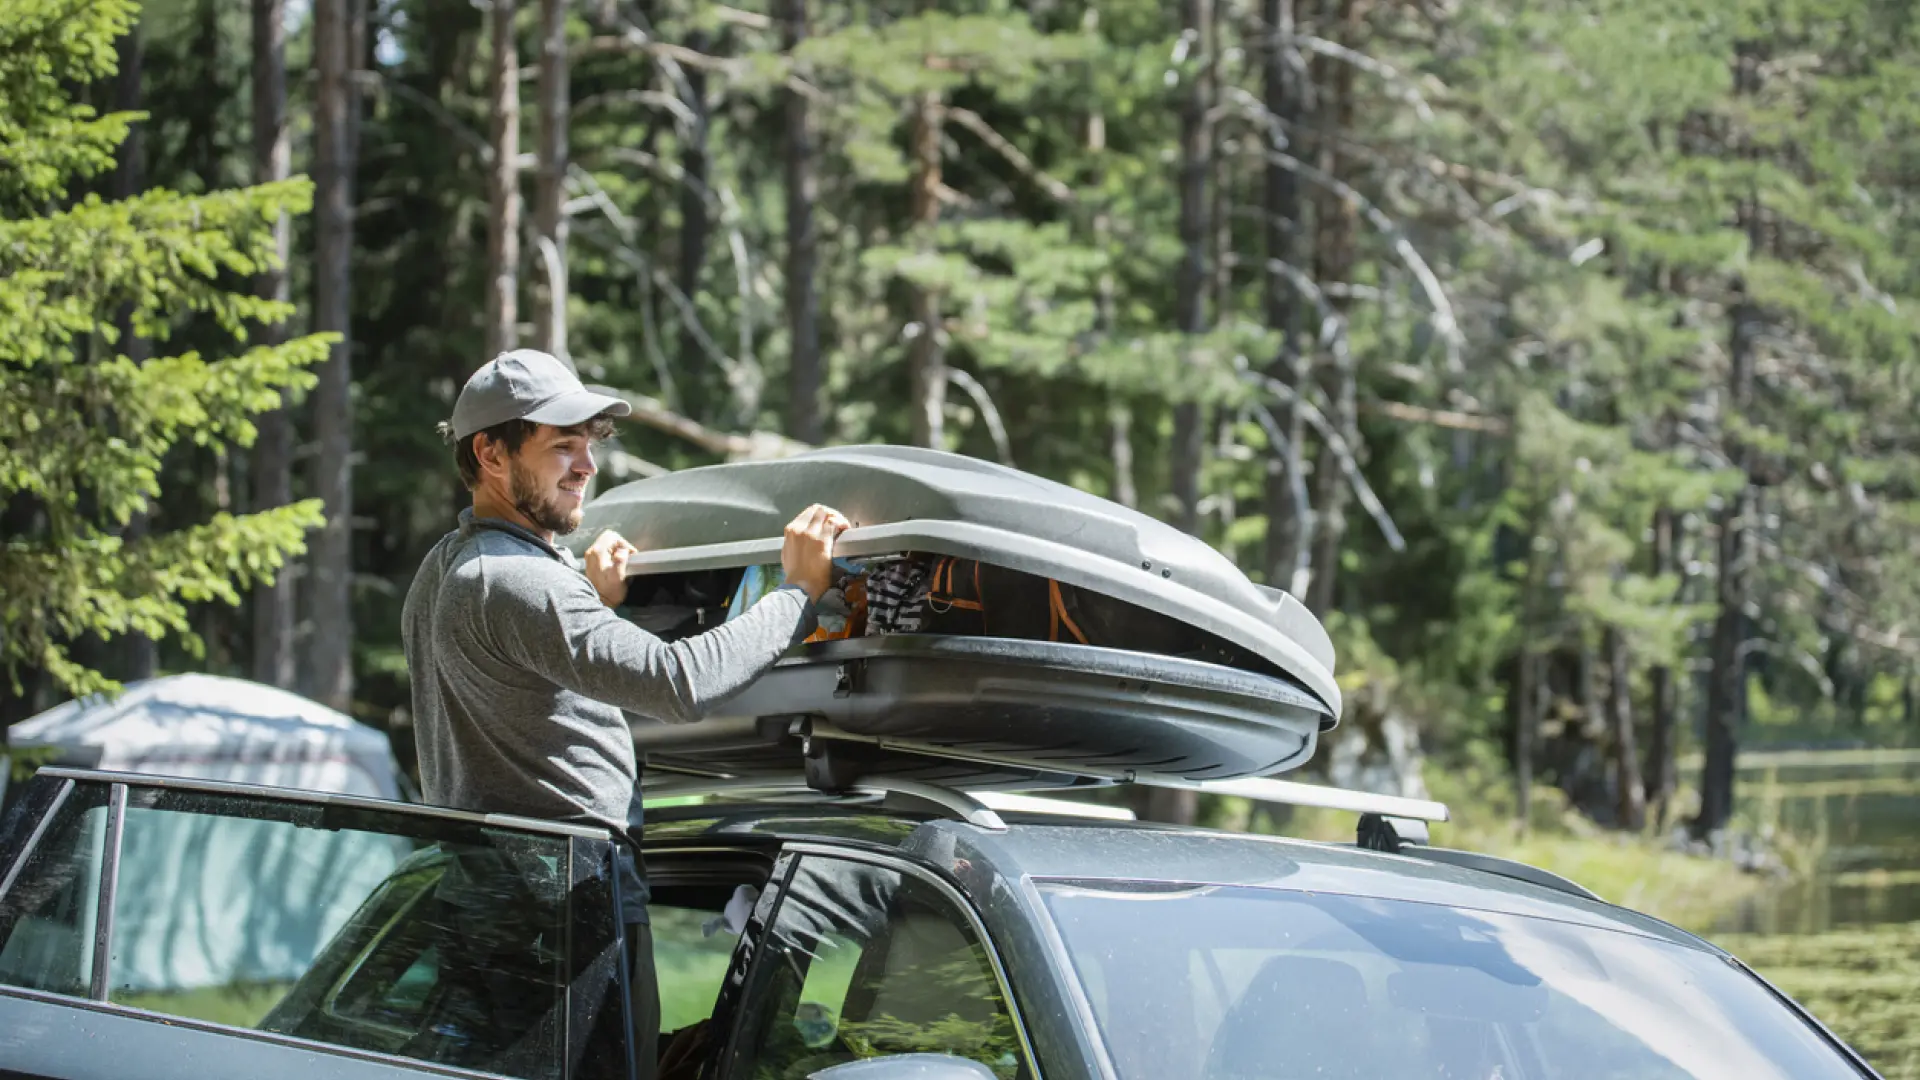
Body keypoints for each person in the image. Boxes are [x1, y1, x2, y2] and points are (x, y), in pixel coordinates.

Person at [401, 348, 848, 1078]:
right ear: (488, 452)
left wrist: (585, 589)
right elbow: (680, 683)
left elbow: (516, 669)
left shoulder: (446, 570)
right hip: (568, 915)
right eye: (561, 446)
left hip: (493, 908)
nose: (586, 466)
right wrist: (796, 593)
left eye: (589, 446)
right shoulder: (524, 585)